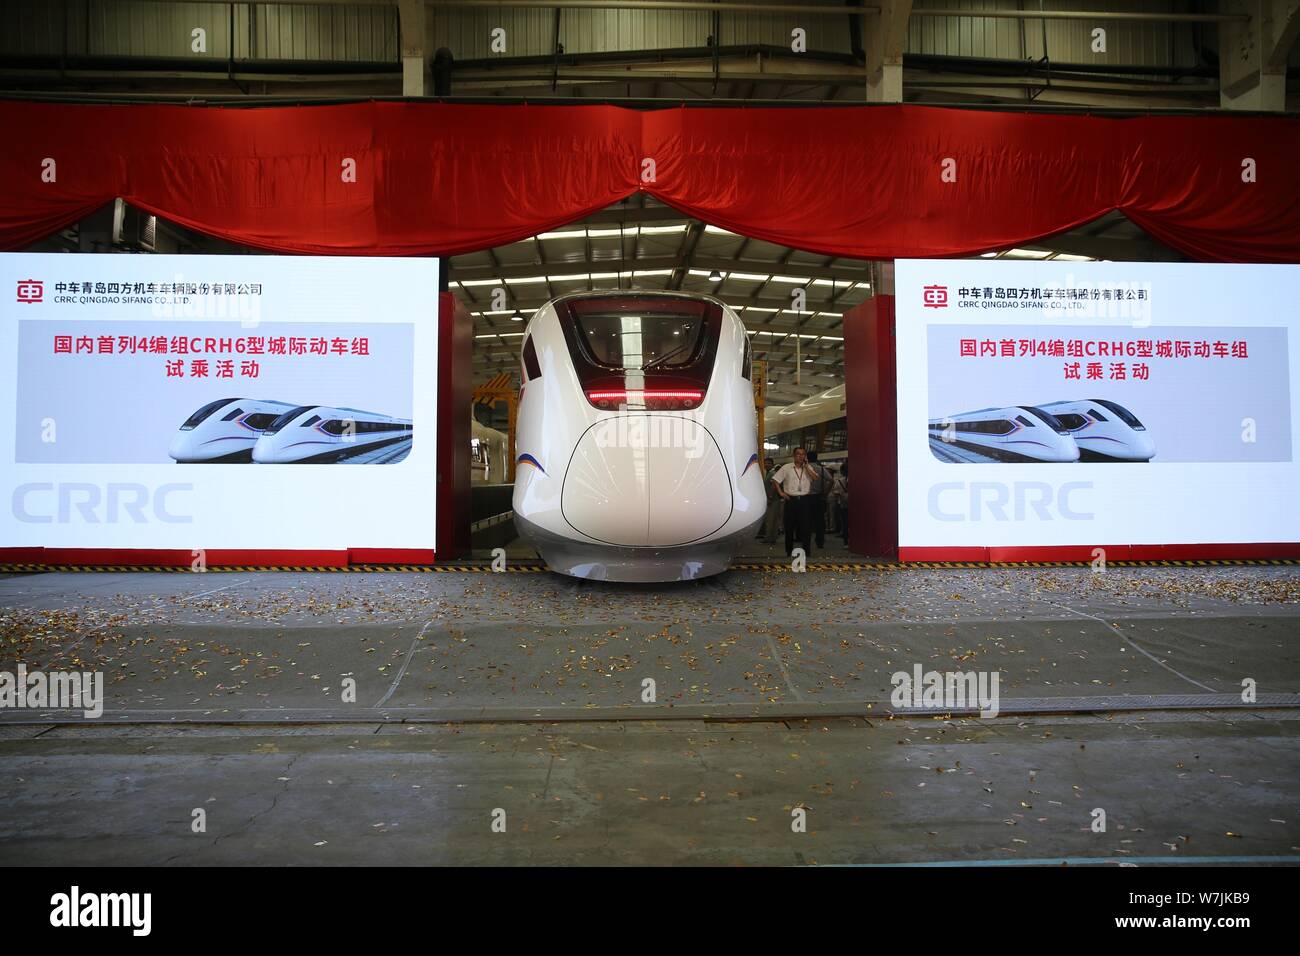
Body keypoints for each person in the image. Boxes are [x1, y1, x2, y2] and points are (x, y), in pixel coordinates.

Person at [770, 447, 816, 557]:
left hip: (805, 500)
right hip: (791, 500)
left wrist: (806, 467)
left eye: (803, 454)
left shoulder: (808, 467)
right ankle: (789, 551)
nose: (801, 456)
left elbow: (815, 478)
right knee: (789, 526)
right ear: (794, 456)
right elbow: (775, 480)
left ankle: (806, 551)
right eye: (798, 454)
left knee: (806, 527)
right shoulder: (786, 468)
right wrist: (781, 493)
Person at [806, 450, 831, 550]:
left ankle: (806, 541)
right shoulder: (821, 469)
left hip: (806, 498)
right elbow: (831, 480)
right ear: (817, 458)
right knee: (819, 521)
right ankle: (820, 541)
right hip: (818, 498)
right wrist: (825, 492)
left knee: (806, 520)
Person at [759, 456, 781, 544]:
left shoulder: (772, 473)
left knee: (770, 520)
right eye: (766, 463)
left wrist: (770, 497)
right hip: (773, 499)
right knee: (774, 520)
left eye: (769, 463)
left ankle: (768, 538)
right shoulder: (769, 473)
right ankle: (772, 538)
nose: (767, 465)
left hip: (773, 499)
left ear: (772, 464)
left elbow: (774, 486)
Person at [831, 460, 849, 544]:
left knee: (844, 523)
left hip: (843, 504)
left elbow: (836, 493)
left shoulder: (838, 481)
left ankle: (846, 542)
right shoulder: (856, 479)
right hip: (854, 505)